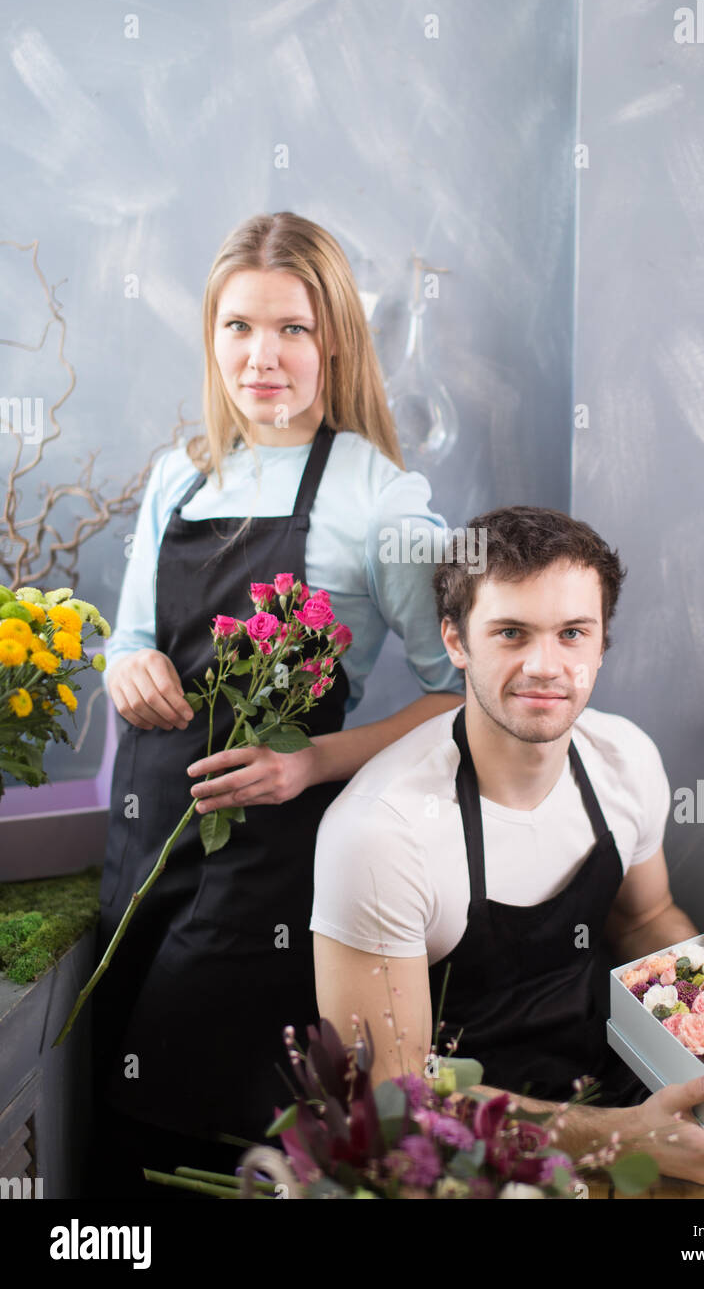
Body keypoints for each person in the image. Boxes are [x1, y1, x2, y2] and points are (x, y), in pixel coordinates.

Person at [88, 211, 464, 1198]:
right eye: (238, 328)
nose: (263, 357)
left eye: (292, 329)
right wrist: (121, 664)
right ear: (212, 339)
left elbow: (453, 699)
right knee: (113, 1112)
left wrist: (310, 762)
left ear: (332, 338)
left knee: (202, 1127)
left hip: (260, 875)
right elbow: (127, 639)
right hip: (142, 855)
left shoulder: (378, 498)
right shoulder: (178, 476)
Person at [312, 506, 704, 1197]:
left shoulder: (626, 761)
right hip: (470, 1154)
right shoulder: (380, 832)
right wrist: (621, 1141)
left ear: (601, 644)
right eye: (511, 633)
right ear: (455, 641)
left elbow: (646, 920)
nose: (544, 666)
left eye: (572, 633)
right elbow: (389, 1104)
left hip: (623, 1090)